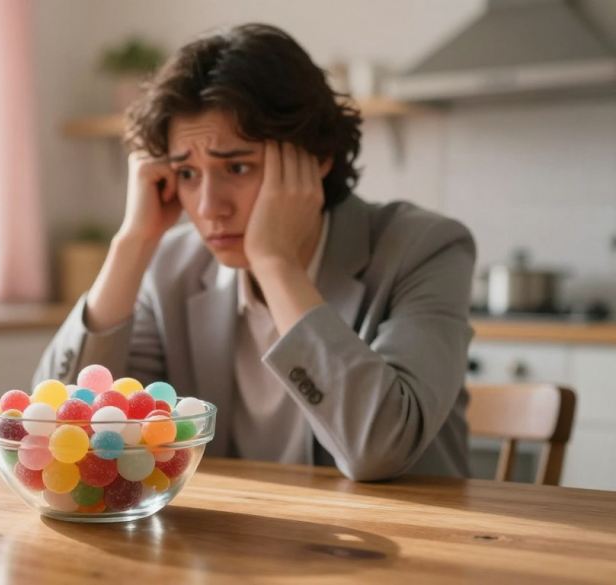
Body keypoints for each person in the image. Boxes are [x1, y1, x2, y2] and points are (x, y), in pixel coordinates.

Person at [34, 23, 476, 481]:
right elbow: (60, 436)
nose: (209, 208)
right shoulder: (168, 265)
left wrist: (276, 263)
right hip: (232, 543)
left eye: (238, 166)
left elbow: (380, 448)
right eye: (187, 174)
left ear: (317, 157)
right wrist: (132, 243)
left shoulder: (425, 247)